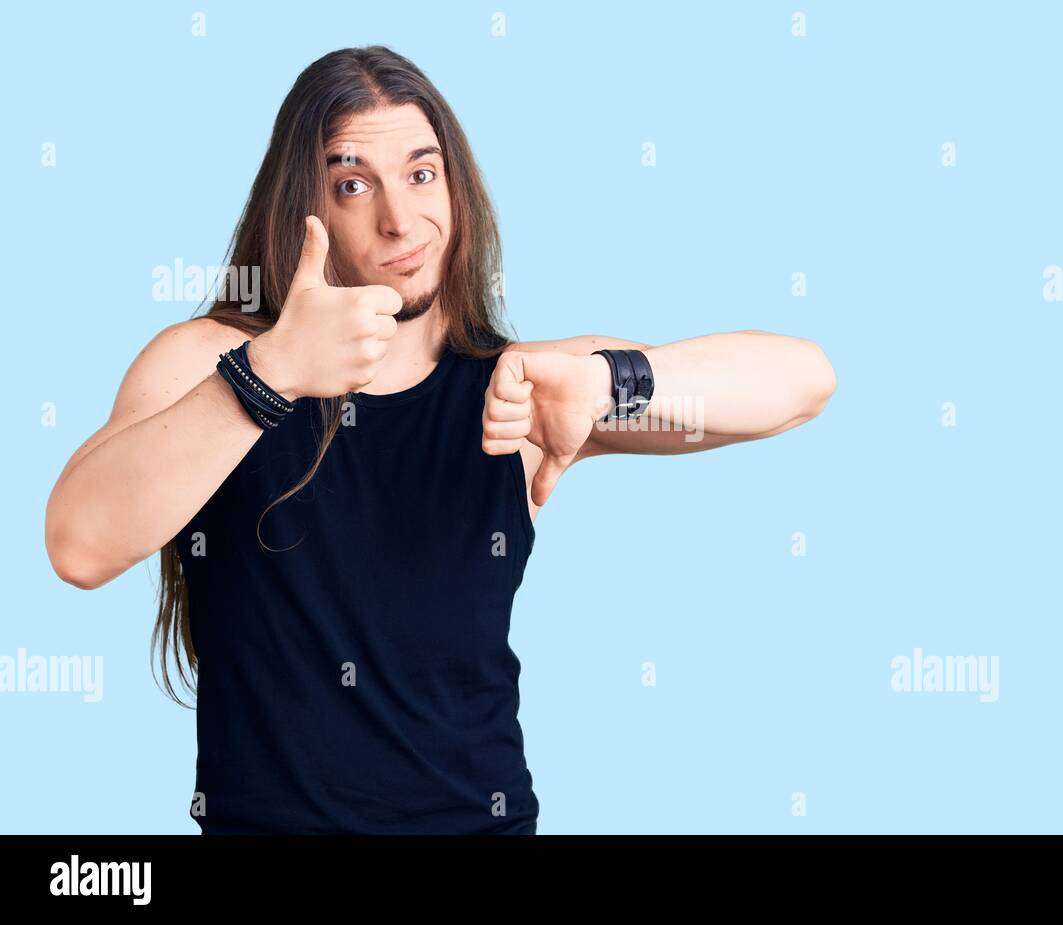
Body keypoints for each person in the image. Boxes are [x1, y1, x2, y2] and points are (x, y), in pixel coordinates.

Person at [43, 46, 836, 834]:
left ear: (456, 186)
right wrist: (270, 373)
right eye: (354, 184)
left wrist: (610, 380)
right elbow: (78, 544)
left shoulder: (521, 388)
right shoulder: (213, 363)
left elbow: (802, 383)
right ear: (305, 209)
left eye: (422, 174)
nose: (399, 219)